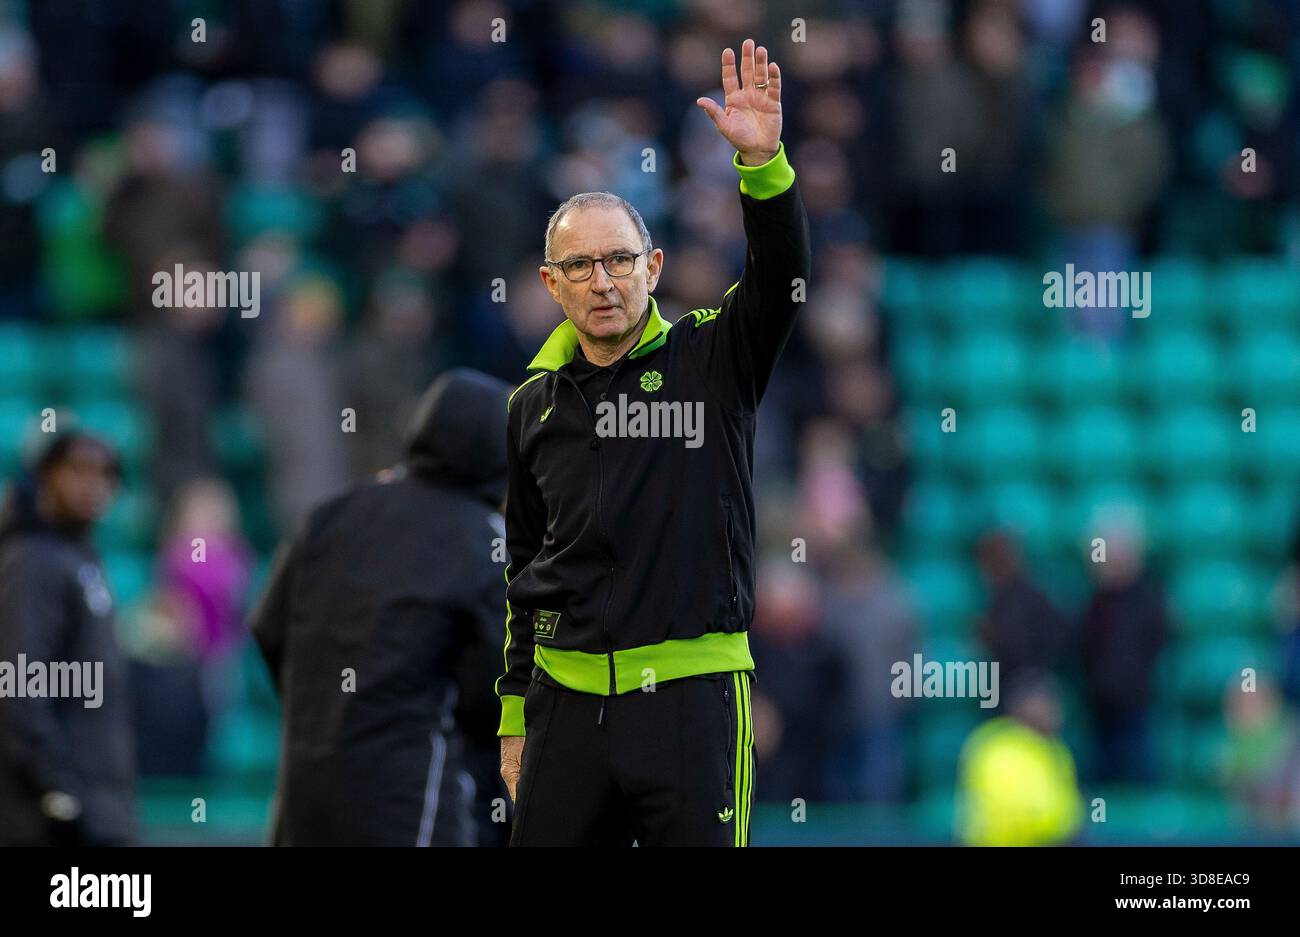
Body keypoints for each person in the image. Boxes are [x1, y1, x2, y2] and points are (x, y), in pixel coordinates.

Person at [497, 38, 811, 846]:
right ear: (550, 283)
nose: (603, 282)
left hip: (690, 696)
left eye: (619, 260)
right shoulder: (531, 405)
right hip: (564, 704)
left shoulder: (714, 357)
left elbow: (781, 281)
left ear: (655, 266)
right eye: (580, 265)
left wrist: (763, 166)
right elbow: (525, 570)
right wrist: (514, 714)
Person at [249, 369, 509, 846]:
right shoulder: (481, 537)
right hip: (409, 800)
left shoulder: (330, 516)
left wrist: (330, 707)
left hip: (304, 792)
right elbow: (498, 680)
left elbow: (269, 629)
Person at [0, 430, 136, 846]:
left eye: (106, 475)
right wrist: (56, 790)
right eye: (78, 470)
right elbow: (19, 681)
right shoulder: (32, 561)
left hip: (101, 807)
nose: (94, 485)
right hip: (53, 819)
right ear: (45, 477)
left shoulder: (82, 557)